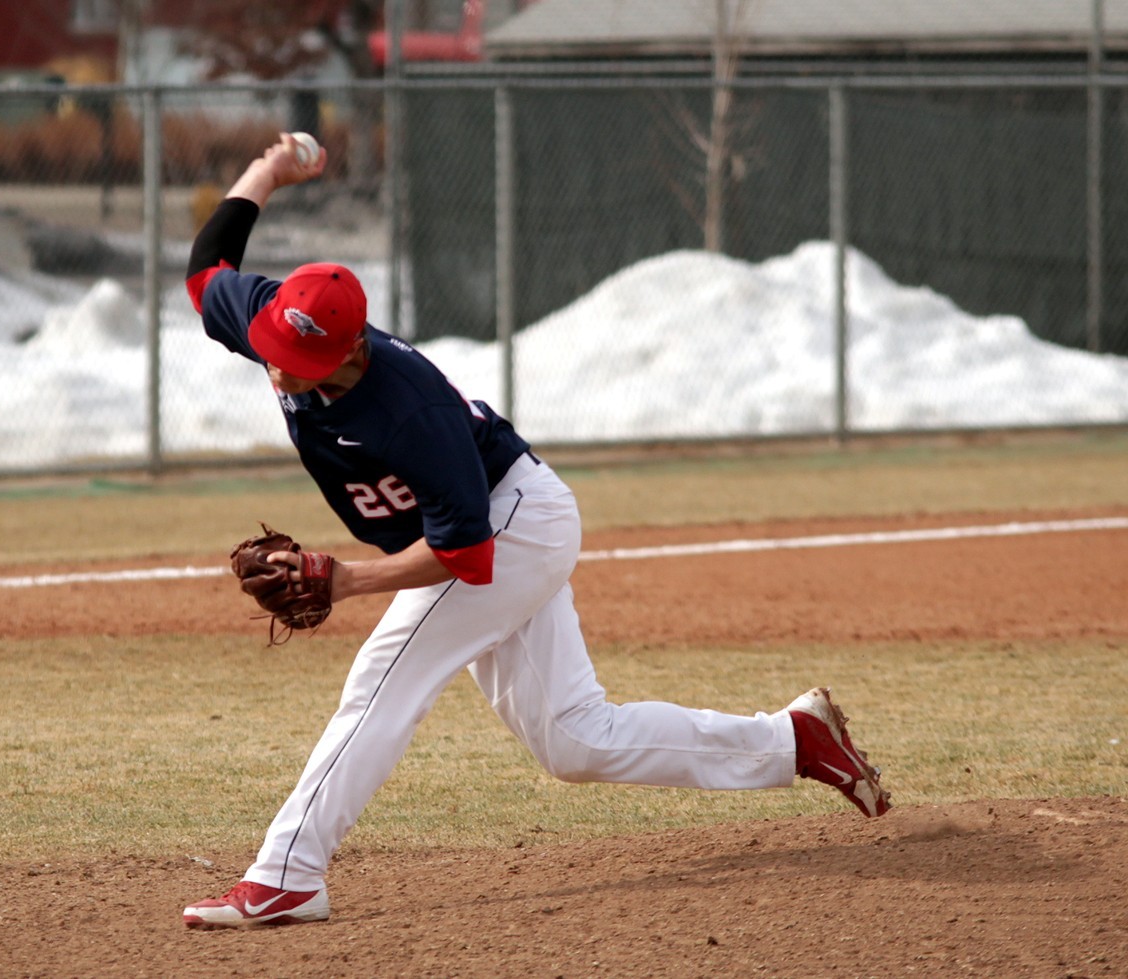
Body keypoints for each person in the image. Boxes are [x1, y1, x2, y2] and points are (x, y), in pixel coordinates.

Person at [179, 134, 892, 929]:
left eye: (296, 360)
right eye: (273, 349)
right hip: (499, 523)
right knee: (574, 741)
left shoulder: (410, 409)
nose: (276, 368)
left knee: (385, 680)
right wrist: (269, 173)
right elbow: (207, 266)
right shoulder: (277, 321)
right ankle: (791, 741)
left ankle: (287, 873)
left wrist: (346, 581)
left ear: (348, 353)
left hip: (511, 522)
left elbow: (465, 552)